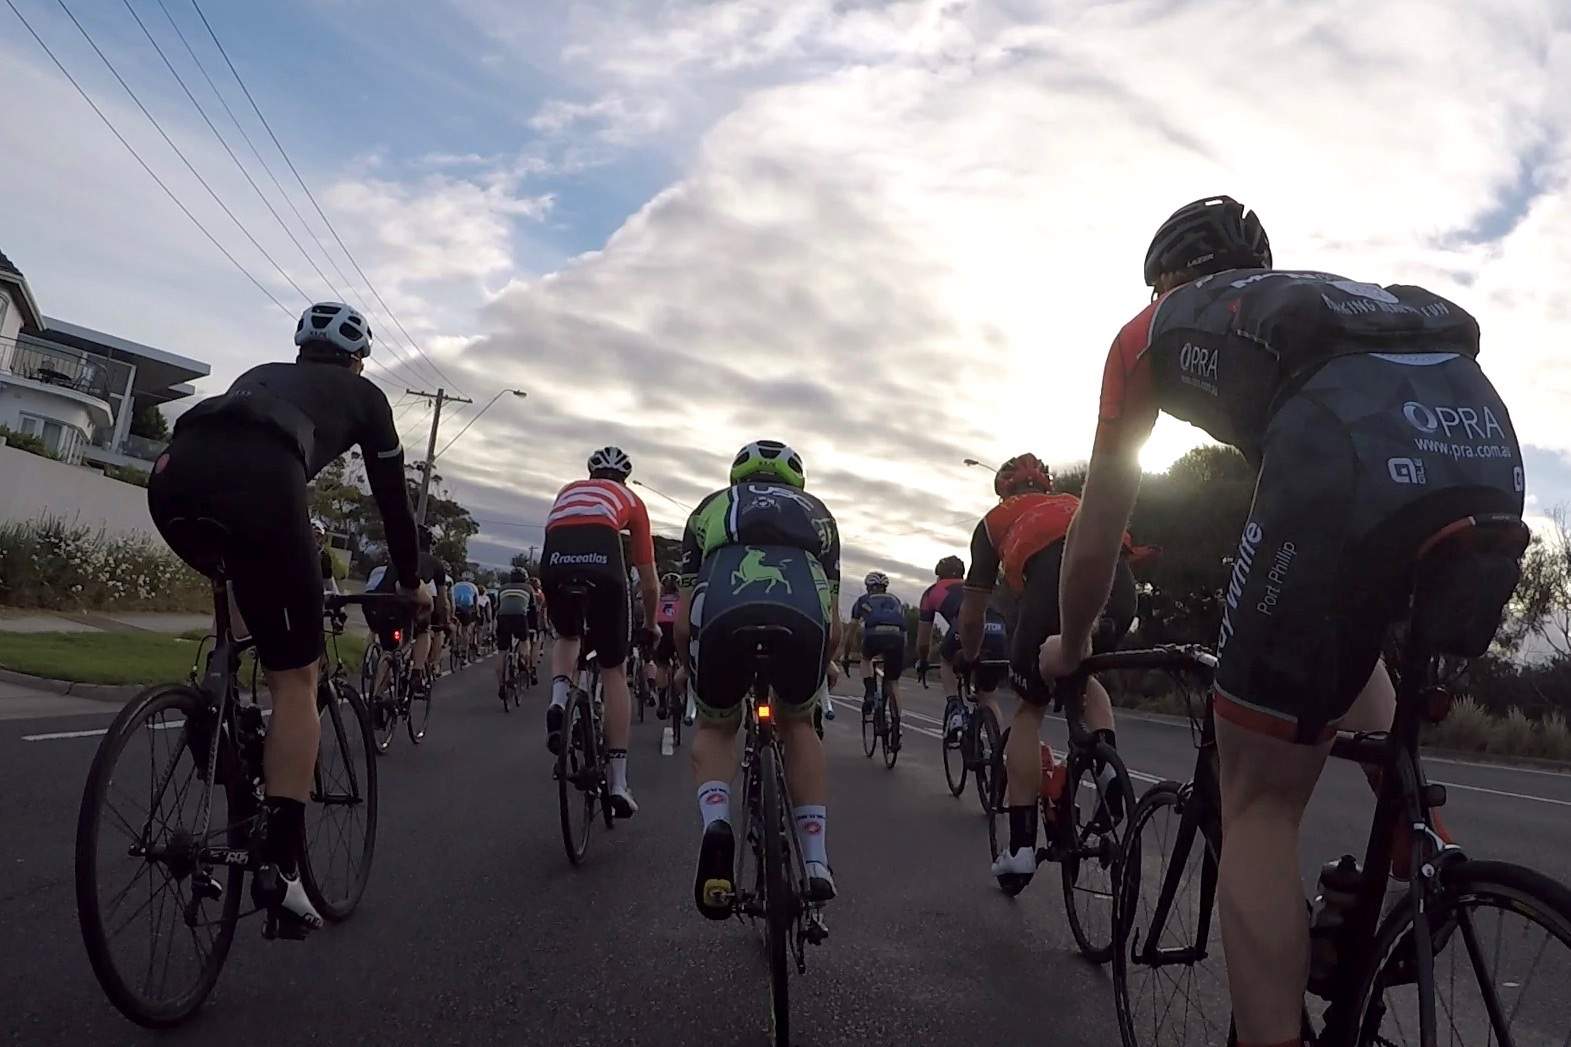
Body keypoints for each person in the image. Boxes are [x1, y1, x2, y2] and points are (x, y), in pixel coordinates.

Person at [1038, 195, 1523, 1047]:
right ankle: (1423, 849)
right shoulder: (1319, 308)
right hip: (1483, 444)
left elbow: (1097, 530)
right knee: (1348, 627)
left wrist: (1071, 646)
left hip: (1343, 458)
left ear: (1167, 281)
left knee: (1257, 800)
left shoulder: (1150, 332)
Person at [147, 300, 429, 938]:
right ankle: (283, 871)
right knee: (295, 678)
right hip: (263, 485)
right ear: (358, 360)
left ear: (299, 352)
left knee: (241, 588)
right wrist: (412, 583)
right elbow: (394, 506)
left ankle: (217, 705)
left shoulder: (261, 372)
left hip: (173, 477)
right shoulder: (366, 397)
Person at [959, 452, 1139, 894]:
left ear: (1004, 489)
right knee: (1084, 677)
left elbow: (972, 612)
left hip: (1050, 587)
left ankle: (1021, 850)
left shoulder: (994, 522)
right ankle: (1108, 772)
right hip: (1118, 585)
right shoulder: (1071, 502)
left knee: (1029, 711)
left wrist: (969, 655)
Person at [676, 439, 842, 916]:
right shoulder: (819, 514)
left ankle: (715, 823)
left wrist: (689, 668)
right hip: (803, 620)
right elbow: (831, 617)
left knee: (717, 727)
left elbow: (685, 622)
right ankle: (815, 862)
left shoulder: (710, 508)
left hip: (723, 614)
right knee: (798, 724)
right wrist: (822, 669)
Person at [540, 446, 659, 817]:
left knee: (568, 636)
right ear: (624, 477)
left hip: (555, 559)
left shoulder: (568, 490)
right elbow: (649, 581)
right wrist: (651, 624)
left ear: (590, 474)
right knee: (613, 670)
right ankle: (619, 783)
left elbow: (554, 529)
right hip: (603, 560)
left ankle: (559, 699)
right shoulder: (633, 501)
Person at [916, 556, 1008, 739]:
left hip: (966, 627)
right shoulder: (972, 586)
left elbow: (923, 639)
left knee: (947, 660)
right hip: (998, 630)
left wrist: (923, 660)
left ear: (938, 575)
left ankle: (955, 706)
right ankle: (998, 750)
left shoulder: (932, 591)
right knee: (988, 697)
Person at [850, 572, 908, 716]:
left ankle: (870, 691)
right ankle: (897, 722)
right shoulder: (896, 600)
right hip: (897, 637)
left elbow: (851, 630)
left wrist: (846, 654)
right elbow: (904, 628)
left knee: (866, 658)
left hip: (874, 635)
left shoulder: (863, 600)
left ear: (868, 587)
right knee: (893, 681)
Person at [495, 567, 535, 699]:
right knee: (524, 641)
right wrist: (532, 626)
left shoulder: (503, 588)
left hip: (503, 617)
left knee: (502, 651)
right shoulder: (528, 588)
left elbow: (498, 606)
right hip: (520, 616)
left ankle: (501, 685)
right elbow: (532, 609)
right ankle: (523, 660)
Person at [652, 572, 682, 718]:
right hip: (678, 630)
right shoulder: (682, 600)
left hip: (663, 632)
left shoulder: (658, 599)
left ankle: (662, 702)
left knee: (662, 666)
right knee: (685, 664)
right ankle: (684, 696)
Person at [451, 573, 480, 657]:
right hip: (467, 609)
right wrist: (477, 613)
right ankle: (464, 651)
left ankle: (454, 645)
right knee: (465, 630)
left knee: (454, 627)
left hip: (456, 607)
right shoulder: (473, 587)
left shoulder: (456, 585)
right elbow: (476, 603)